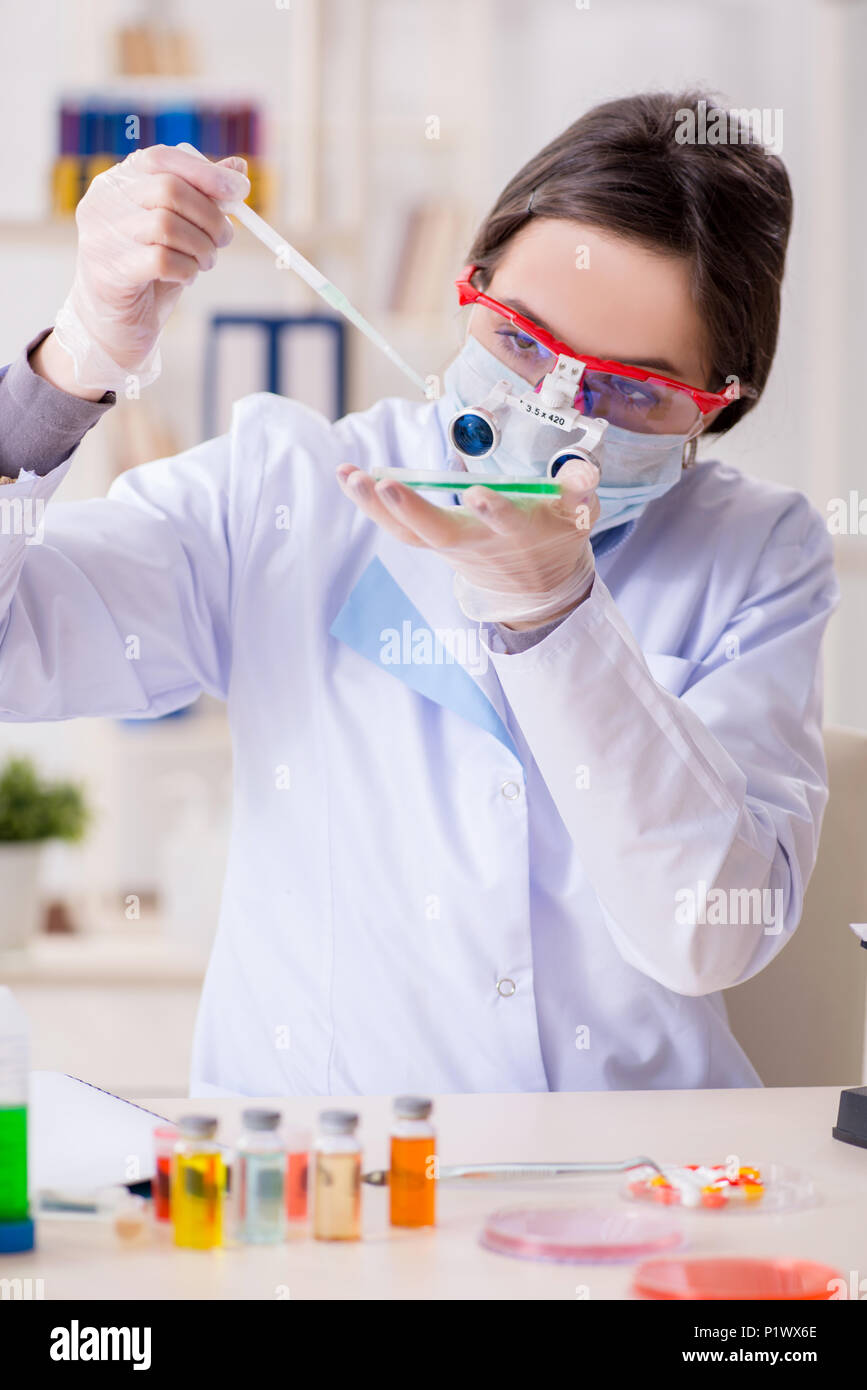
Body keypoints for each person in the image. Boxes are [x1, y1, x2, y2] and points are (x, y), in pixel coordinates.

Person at [0, 96, 837, 1098]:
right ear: (472, 282)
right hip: (322, 1192)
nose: (551, 410)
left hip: (643, 1182)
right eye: (523, 342)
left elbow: (707, 931)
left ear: (721, 401)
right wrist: (72, 365)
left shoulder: (758, 551)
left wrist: (555, 610)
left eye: (628, 393)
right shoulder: (286, 487)